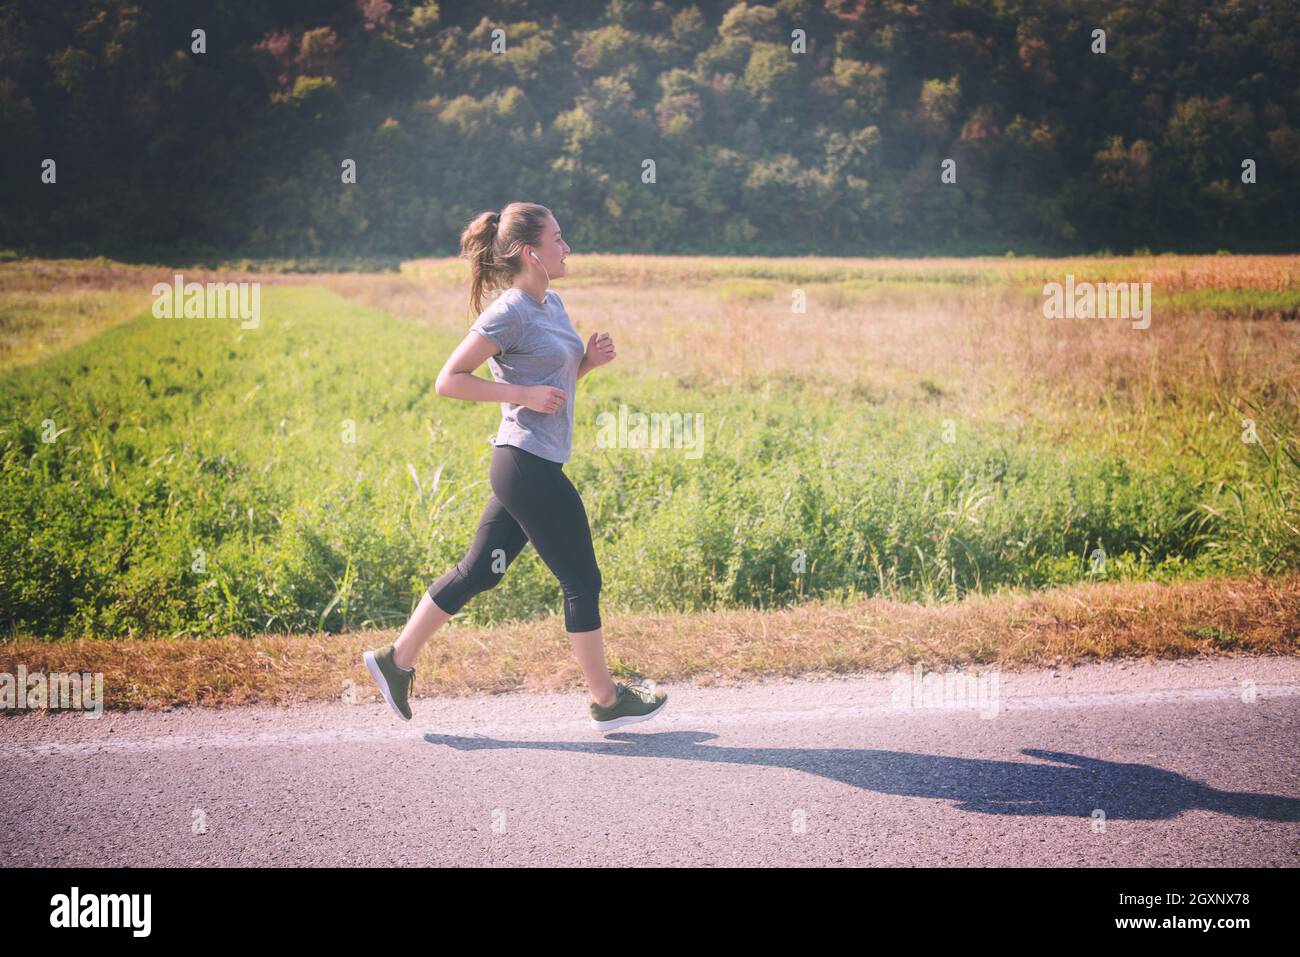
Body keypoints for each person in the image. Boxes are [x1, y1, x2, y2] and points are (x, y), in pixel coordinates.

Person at [363, 202, 667, 732]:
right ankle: (607, 700)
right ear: (531, 252)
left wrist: (587, 363)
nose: (566, 247)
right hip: (525, 463)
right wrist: (519, 391)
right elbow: (449, 379)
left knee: (480, 571)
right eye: (557, 239)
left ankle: (395, 661)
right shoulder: (509, 311)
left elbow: (556, 383)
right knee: (582, 580)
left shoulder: (551, 304)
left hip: (528, 463)